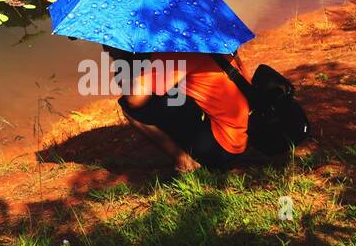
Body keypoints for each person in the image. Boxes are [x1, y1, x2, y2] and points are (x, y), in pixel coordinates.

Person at [107, 46, 251, 173]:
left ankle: (184, 161)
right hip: (247, 128)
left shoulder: (173, 53)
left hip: (224, 148)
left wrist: (124, 64)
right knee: (170, 91)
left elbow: (134, 100)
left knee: (130, 108)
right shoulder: (207, 40)